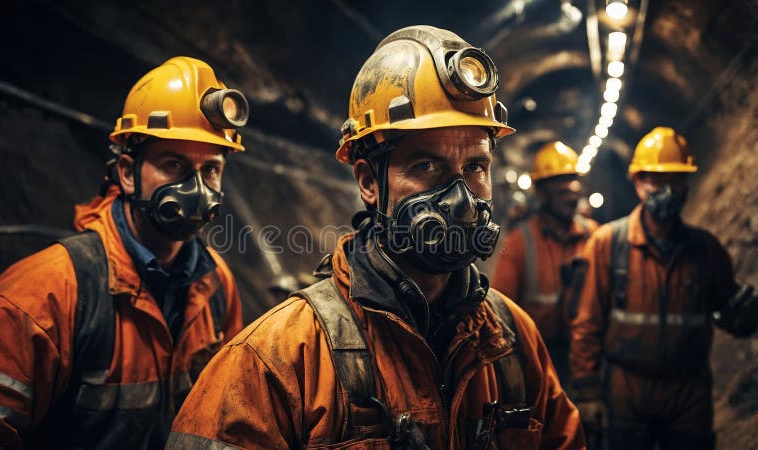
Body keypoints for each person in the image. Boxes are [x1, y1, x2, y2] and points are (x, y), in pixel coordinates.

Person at [168, 26, 584, 450]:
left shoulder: (512, 339)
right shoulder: (277, 360)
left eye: (476, 167)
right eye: (426, 166)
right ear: (369, 181)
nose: (461, 202)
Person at [0, 56, 246, 449]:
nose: (196, 189)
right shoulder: (42, 296)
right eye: (174, 165)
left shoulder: (216, 284)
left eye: (210, 169)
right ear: (127, 173)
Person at [569, 126, 758, 450]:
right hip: (626, 391)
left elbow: (728, 313)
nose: (667, 190)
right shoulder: (608, 244)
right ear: (638, 182)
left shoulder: (706, 250)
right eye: (656, 180)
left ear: (687, 184)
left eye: (676, 180)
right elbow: (587, 323)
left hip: (688, 395)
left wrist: (746, 315)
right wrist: (587, 393)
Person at [491, 141, 598, 382]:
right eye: (561, 191)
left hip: (587, 359)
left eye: (572, 187)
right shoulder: (519, 242)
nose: (570, 196)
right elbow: (500, 309)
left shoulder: (593, 236)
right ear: (541, 193)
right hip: (537, 359)